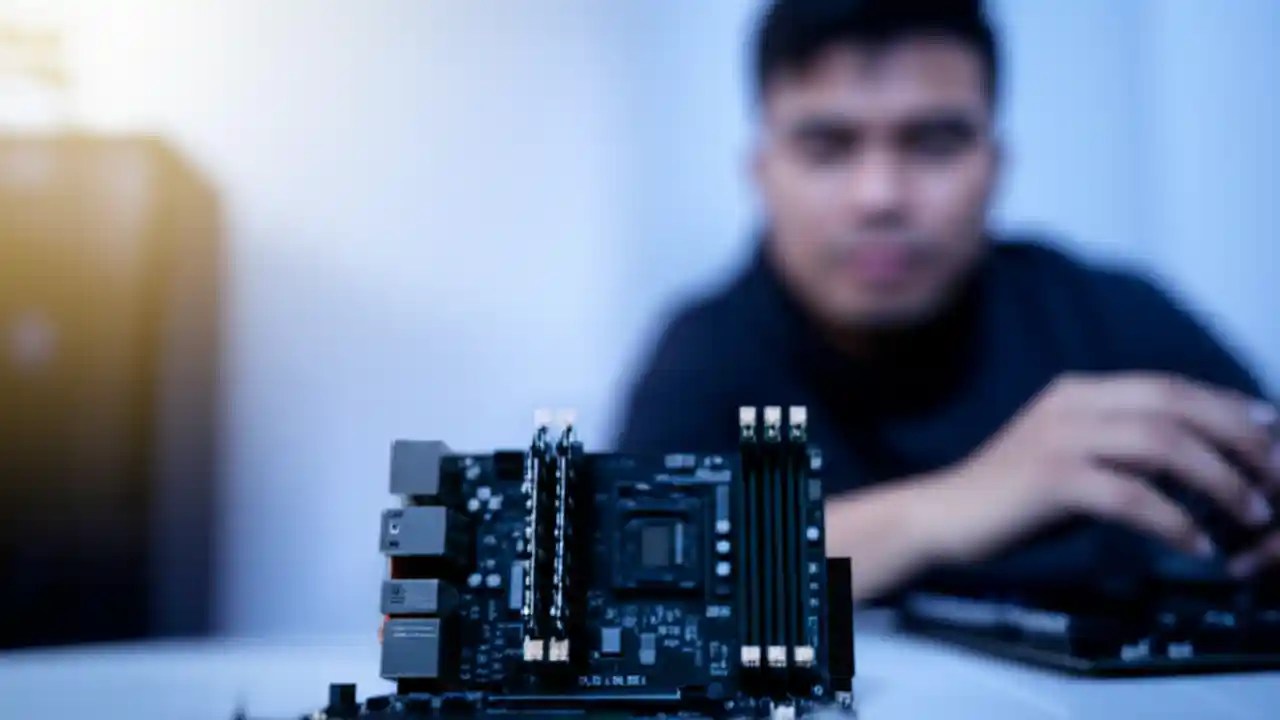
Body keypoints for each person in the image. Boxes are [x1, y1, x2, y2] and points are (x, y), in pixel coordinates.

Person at [616, 0, 1279, 602]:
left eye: (933, 143)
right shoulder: (704, 353)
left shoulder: (1114, 319)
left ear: (994, 165)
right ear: (761, 171)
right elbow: (614, 587)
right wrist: (952, 507)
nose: (879, 196)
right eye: (827, 149)